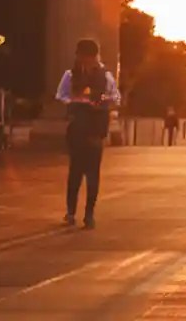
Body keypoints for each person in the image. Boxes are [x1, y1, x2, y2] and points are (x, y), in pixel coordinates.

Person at [55, 38, 120, 230]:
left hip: (95, 129)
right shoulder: (70, 74)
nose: (81, 60)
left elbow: (115, 97)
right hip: (77, 129)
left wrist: (100, 99)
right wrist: (77, 100)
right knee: (74, 172)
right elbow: (61, 95)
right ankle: (71, 211)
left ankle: (89, 214)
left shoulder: (105, 76)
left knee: (92, 174)